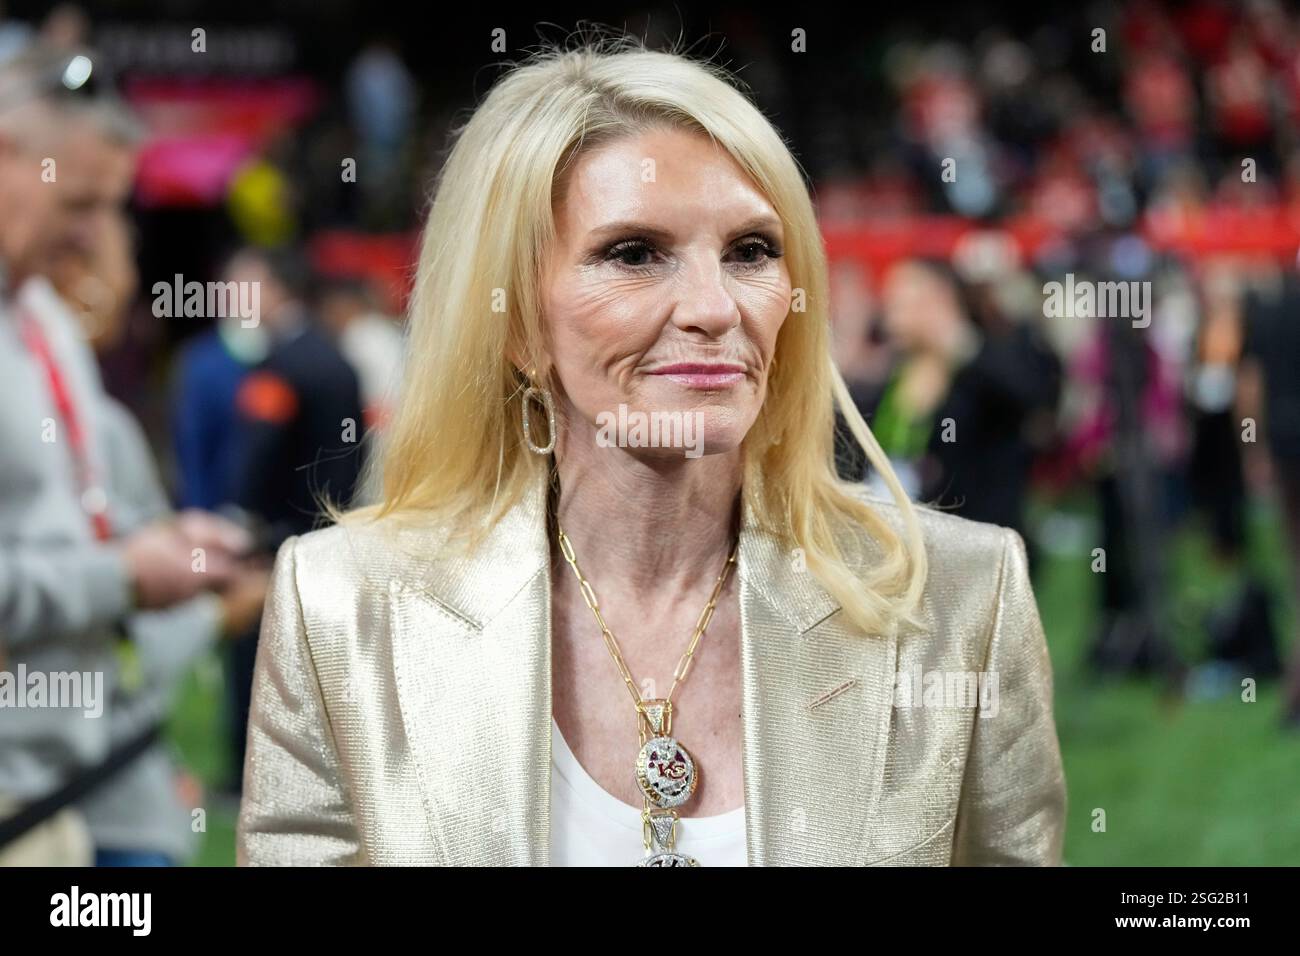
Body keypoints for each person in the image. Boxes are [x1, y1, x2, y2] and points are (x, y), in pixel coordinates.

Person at [237, 39, 1066, 867]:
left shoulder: (960, 601)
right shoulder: (343, 609)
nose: (714, 308)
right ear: (518, 319)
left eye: (751, 251)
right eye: (634, 253)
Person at [0, 45, 246, 863]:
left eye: (109, 207)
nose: (95, 238)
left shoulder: (43, 324)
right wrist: (126, 576)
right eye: (78, 204)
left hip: (77, 781)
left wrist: (166, 551)